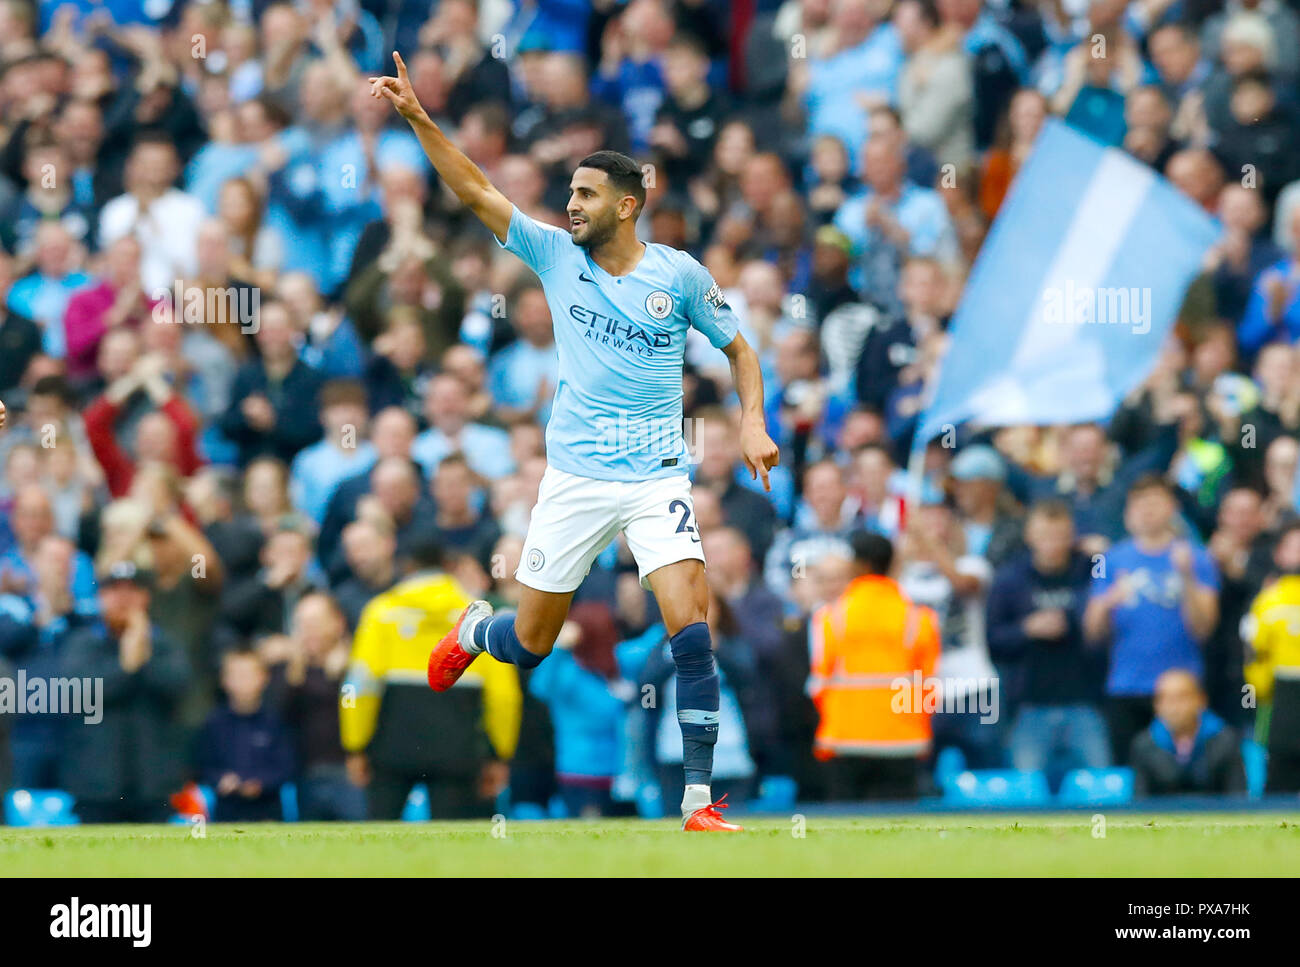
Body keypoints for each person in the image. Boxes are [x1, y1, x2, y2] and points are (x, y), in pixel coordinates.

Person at [370, 51, 779, 831]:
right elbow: (476, 189)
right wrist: (419, 118)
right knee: (528, 644)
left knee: (693, 628)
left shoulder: (681, 275)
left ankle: (698, 798)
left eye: (586, 193)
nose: (572, 203)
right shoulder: (556, 255)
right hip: (576, 480)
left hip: (658, 474)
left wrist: (751, 419)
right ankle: (474, 630)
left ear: (628, 205)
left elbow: (740, 350)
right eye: (569, 192)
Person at [340, 535, 521, 820]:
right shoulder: (477, 614)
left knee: (378, 839)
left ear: (406, 566)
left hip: (391, 749)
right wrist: (499, 754)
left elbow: (358, 687)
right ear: (449, 566)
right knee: (457, 845)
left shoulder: (381, 612)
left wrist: (354, 745)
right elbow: (504, 696)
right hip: (458, 751)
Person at [1084, 474, 1220, 764]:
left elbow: (1204, 629)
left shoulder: (1197, 558)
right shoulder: (1111, 560)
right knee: (1128, 777)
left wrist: (1186, 577)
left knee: (1183, 771)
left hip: (1182, 688)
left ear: (1171, 508)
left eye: (1154, 503)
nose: (1147, 511)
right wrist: (1107, 603)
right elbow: (1092, 634)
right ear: (1128, 512)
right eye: (1140, 504)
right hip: (1127, 686)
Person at [809, 531, 940, 800]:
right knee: (899, 831)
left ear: (859, 566)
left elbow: (818, 684)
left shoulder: (829, 617)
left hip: (845, 741)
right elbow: (928, 684)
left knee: (842, 832)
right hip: (903, 742)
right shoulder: (920, 618)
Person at [986, 500, 1108, 787]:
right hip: (1029, 705)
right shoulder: (1010, 579)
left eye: (1059, 535)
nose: (1052, 543)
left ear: (1072, 536)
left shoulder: (1089, 570)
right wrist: (1027, 629)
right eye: (1044, 535)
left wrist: (1104, 554)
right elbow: (993, 642)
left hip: (1085, 701)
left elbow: (1112, 592)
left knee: (1103, 788)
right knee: (1026, 791)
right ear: (1030, 536)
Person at [58, 561, 191, 823]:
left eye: (132, 591)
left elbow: (178, 686)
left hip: (153, 783)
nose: (123, 599)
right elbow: (77, 693)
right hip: (96, 785)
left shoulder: (165, 642)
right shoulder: (82, 643)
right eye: (114, 591)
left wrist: (141, 652)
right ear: (101, 598)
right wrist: (127, 668)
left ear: (146, 597)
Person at [197, 648, 296, 822]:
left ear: (263, 678)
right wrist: (221, 780)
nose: (243, 681)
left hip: (268, 811)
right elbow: (202, 766)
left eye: (248, 674)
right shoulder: (214, 723)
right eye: (236, 675)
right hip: (226, 812)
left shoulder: (275, 721)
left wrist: (260, 783)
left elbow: (287, 765)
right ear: (224, 680)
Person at [1130, 668, 1247, 797]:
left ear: (1201, 699)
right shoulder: (1144, 745)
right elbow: (1140, 801)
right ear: (1156, 705)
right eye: (1165, 699)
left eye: (1181, 697)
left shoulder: (1226, 740)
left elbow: (1237, 797)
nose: (1174, 707)